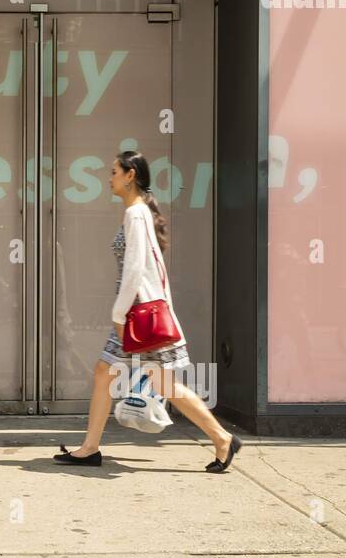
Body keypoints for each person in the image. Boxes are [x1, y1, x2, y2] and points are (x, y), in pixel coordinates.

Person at [54, 150, 242, 472]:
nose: (108, 177)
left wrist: (118, 315)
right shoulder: (138, 212)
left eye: (114, 171)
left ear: (130, 175)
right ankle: (90, 448)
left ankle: (222, 438)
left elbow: (136, 269)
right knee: (125, 376)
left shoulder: (135, 215)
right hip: (140, 313)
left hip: (136, 316)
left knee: (148, 380)